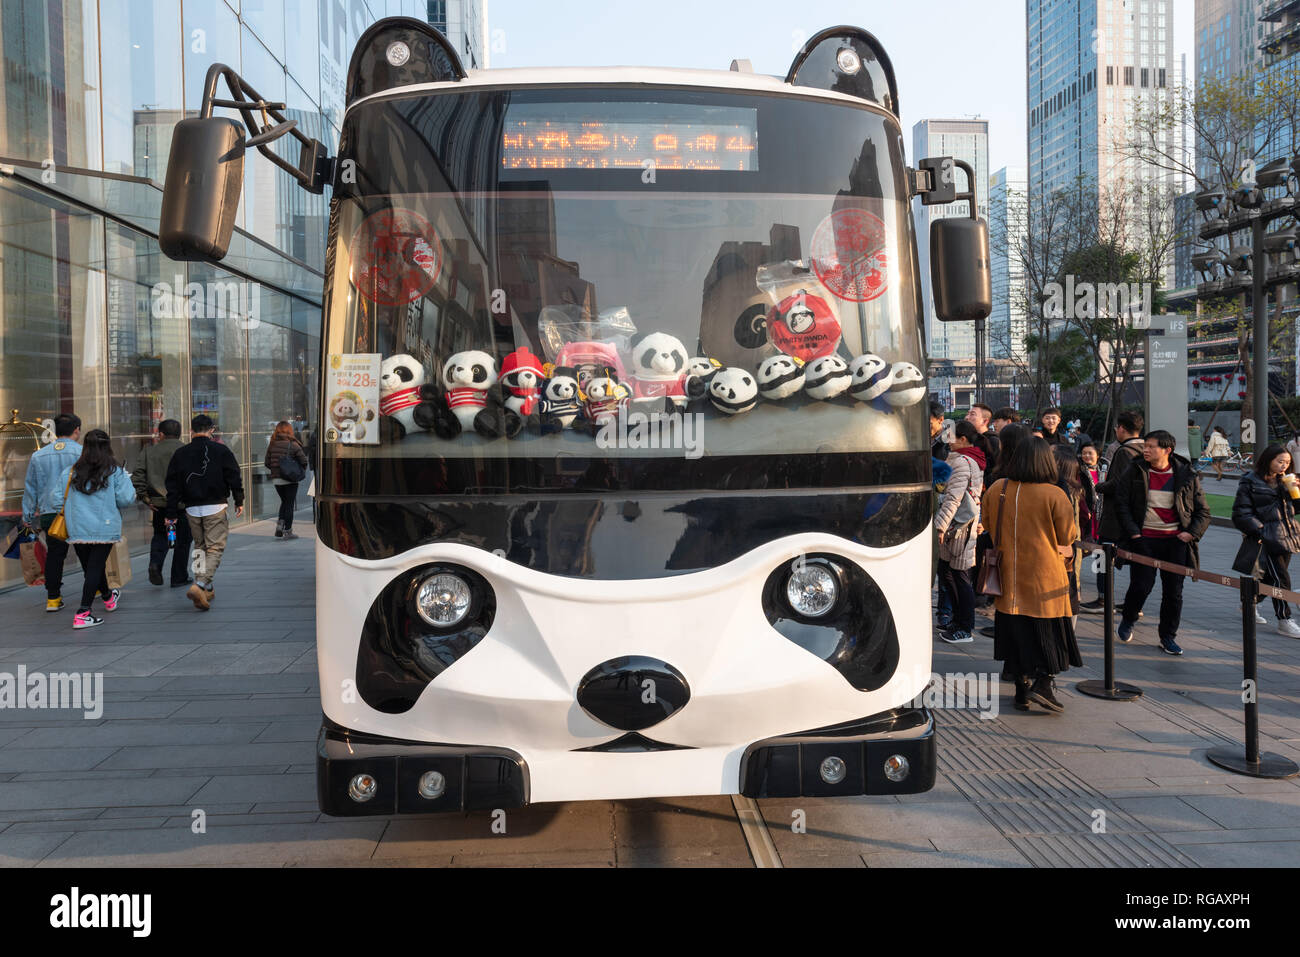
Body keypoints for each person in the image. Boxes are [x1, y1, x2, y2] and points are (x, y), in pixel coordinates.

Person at [982, 438, 1081, 713]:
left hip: (1008, 578)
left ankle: (1021, 691)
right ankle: (1043, 684)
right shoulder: (1054, 494)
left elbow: (988, 525)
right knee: (1048, 636)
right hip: (1045, 577)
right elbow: (1067, 536)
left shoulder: (997, 488)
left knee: (1016, 636)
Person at [1114, 429, 1212, 655]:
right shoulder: (1136, 470)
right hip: (1144, 540)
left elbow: (1203, 512)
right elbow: (1122, 505)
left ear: (1167, 450)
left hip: (1175, 542)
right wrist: (1135, 535)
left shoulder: (1186, 474)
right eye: (1145, 446)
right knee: (1141, 586)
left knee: (1174, 592)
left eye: (1151, 446)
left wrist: (1190, 534)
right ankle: (1128, 618)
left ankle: (1168, 636)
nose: (1146, 450)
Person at [50, 430, 136, 629]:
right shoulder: (114, 470)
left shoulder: (71, 471)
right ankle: (83, 612)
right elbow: (126, 499)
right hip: (104, 526)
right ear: (108, 446)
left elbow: (56, 500)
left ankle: (107, 598)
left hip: (77, 528)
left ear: (85, 446)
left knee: (91, 568)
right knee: (95, 568)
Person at [166, 415, 244, 612]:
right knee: (215, 548)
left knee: (200, 546)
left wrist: (171, 511)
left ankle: (207, 587)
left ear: (191, 431)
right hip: (215, 505)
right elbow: (233, 476)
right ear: (211, 430)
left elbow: (172, 485)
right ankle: (199, 585)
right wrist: (239, 499)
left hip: (191, 507)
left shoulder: (180, 453)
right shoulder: (221, 450)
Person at [1232, 444, 1300, 637]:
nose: (1283, 466)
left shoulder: (1285, 481)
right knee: (1281, 578)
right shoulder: (1250, 481)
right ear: (1268, 460)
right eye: (1280, 461)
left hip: (1287, 536)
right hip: (1267, 537)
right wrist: (1260, 530)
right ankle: (1284, 619)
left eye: (1287, 462)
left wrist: (1296, 492)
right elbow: (1240, 512)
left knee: (1271, 578)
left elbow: (1296, 509)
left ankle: (1249, 600)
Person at [1081, 411, 1145, 614]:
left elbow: (1118, 483)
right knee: (1136, 561)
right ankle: (1134, 603)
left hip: (1115, 517)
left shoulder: (1125, 451)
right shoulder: (1146, 448)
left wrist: (1100, 486)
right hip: (1136, 516)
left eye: (1117, 427)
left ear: (1122, 429)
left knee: (1102, 554)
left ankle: (1102, 599)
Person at [20, 413, 82, 612]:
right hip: (78, 511)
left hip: (49, 513)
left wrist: (28, 515)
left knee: (55, 555)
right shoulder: (82, 453)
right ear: (77, 430)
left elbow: (31, 488)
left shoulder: (39, 455)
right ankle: (98, 589)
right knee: (86, 551)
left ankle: (53, 599)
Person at [934, 421, 987, 644]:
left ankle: (965, 628)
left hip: (960, 528)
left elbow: (953, 498)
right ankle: (957, 622)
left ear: (963, 439)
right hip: (956, 527)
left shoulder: (963, 462)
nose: (948, 439)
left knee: (961, 576)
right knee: (950, 575)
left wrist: (940, 526)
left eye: (952, 436)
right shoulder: (964, 459)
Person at [132, 419, 192, 588]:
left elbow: (138, 476)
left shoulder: (148, 452)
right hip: (183, 505)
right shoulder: (186, 450)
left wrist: (145, 498)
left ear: (161, 434)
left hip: (159, 504)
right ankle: (179, 577)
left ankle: (155, 564)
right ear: (180, 433)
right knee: (184, 540)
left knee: (160, 535)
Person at [1054, 444, 1094, 626]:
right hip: (1072, 547)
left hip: (1065, 547)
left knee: (1068, 589)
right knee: (1071, 588)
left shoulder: (1061, 490)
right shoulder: (1076, 489)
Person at [264, 421, 309, 540]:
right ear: (290, 430)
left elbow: (267, 462)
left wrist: (276, 471)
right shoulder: (293, 444)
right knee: (289, 504)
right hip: (290, 480)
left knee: (284, 502)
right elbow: (304, 461)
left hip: (277, 480)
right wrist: (297, 471)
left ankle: (280, 525)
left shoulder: (272, 445)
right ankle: (288, 531)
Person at [965, 402, 1001, 481]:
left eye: (972, 414)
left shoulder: (993, 441)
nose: (967, 417)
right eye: (967, 414)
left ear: (985, 421)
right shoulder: (966, 440)